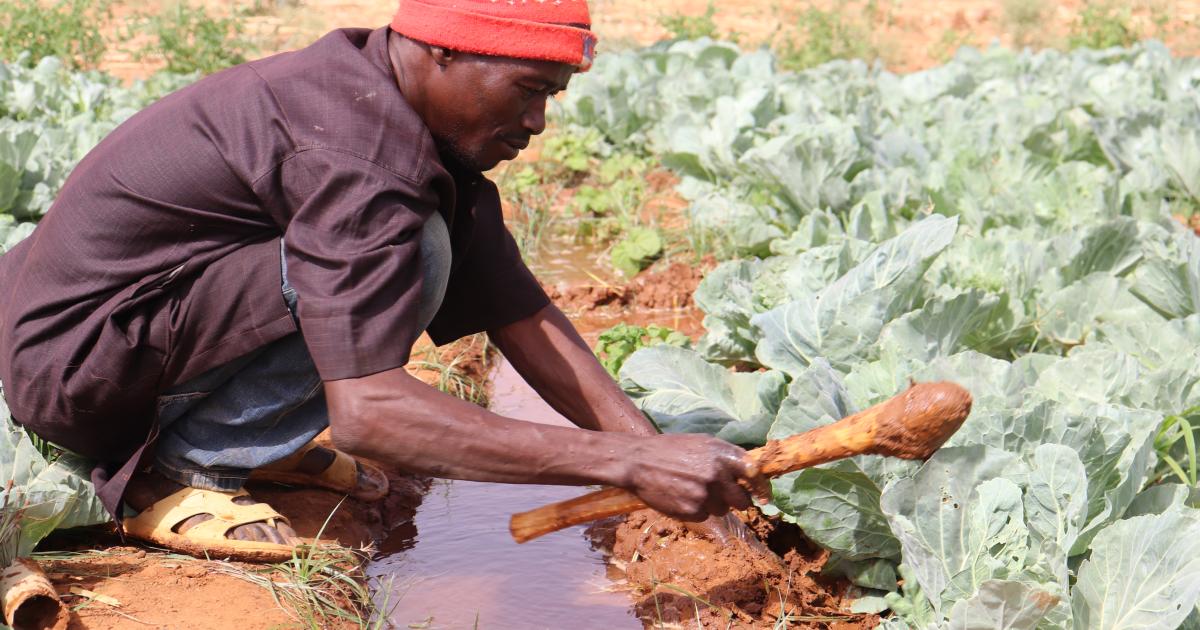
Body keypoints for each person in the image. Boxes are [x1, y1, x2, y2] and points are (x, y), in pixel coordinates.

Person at [0, 0, 760, 560]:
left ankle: (246, 435)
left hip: (110, 333)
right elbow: (370, 416)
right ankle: (175, 469)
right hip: (75, 372)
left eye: (551, 97)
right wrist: (628, 463)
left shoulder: (381, 99)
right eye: (529, 90)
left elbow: (520, 313)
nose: (537, 123)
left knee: (424, 251)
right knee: (415, 252)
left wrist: (654, 449)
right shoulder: (361, 156)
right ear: (442, 54)